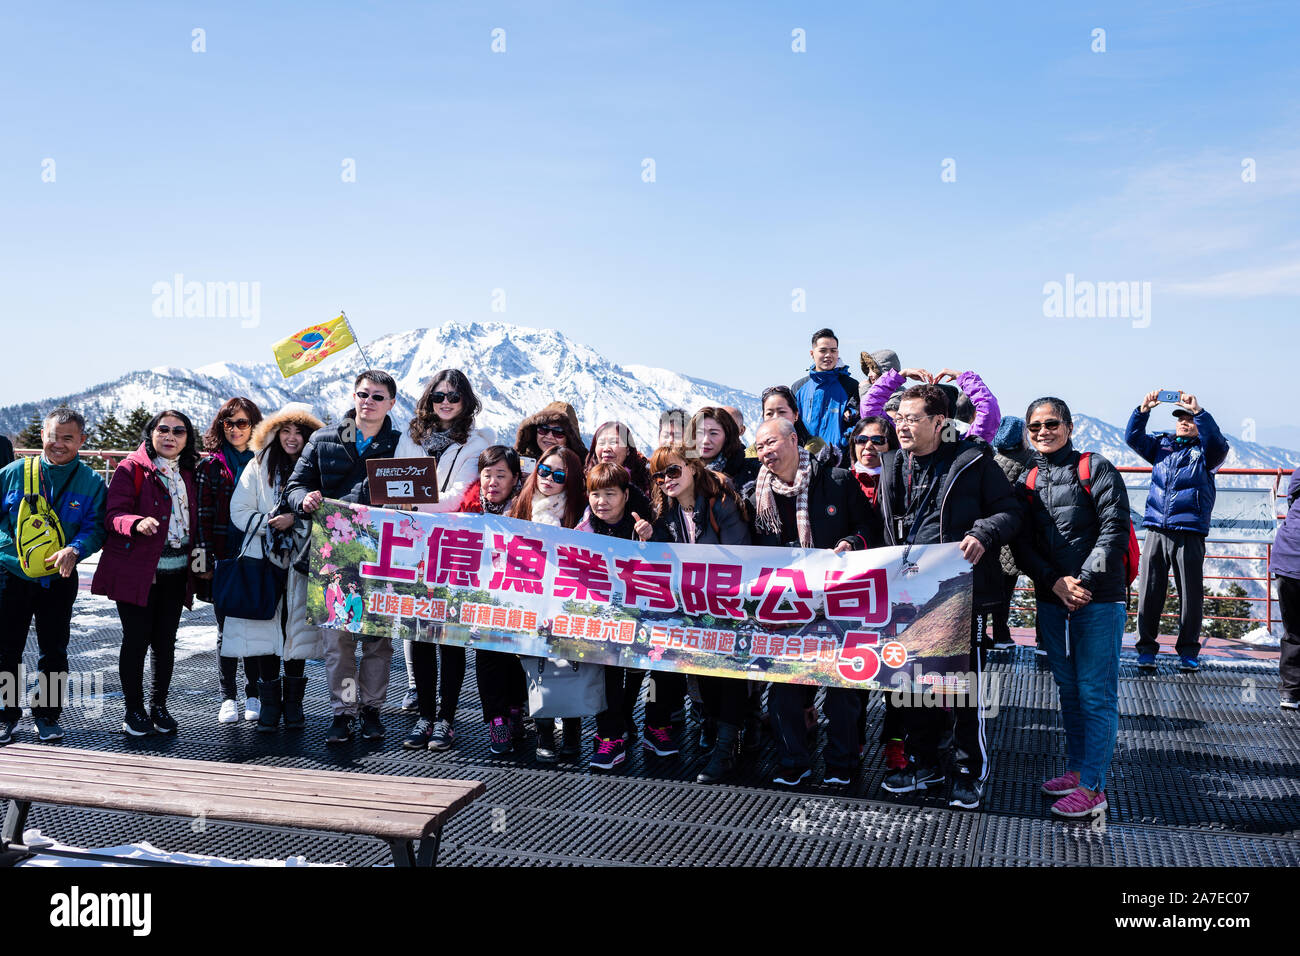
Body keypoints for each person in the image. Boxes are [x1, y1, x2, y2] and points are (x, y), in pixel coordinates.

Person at [875, 385, 1021, 810]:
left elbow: (1010, 513)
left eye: (912, 418)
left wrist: (982, 532)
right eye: (898, 417)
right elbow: (878, 523)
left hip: (962, 593)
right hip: (906, 594)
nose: (901, 425)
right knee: (912, 682)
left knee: (962, 688)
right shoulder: (891, 465)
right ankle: (925, 762)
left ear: (940, 422)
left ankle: (967, 771)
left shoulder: (973, 462)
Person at [747, 418, 882, 787]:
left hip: (839, 603)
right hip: (786, 608)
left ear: (794, 440)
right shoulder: (756, 494)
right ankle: (794, 761)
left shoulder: (836, 480)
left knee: (842, 691)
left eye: (771, 443)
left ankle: (842, 764)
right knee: (784, 692)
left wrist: (853, 544)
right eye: (759, 447)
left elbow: (870, 529)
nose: (765, 453)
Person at [1012, 397, 1130, 819]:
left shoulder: (1094, 468)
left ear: (1069, 426)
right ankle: (1078, 771)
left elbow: (1115, 528)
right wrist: (1053, 582)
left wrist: (1082, 583)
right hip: (1052, 601)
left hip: (1098, 601)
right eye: (1035, 426)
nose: (1043, 432)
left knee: (1095, 694)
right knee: (1069, 692)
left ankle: (1095, 788)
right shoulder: (1028, 481)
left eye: (1051, 424)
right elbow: (1022, 544)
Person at [285, 370, 402, 745]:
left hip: (383, 554)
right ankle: (344, 711)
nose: (368, 401)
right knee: (338, 643)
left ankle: (371, 710)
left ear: (392, 403)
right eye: (363, 394)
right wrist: (302, 500)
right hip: (331, 553)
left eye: (378, 396)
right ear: (353, 396)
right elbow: (294, 486)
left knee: (378, 640)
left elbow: (422, 495)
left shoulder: (402, 444)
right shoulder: (324, 438)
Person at [639, 444, 753, 783]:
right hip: (697, 608)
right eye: (659, 476)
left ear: (692, 467)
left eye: (673, 471)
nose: (666, 481)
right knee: (705, 676)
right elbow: (662, 555)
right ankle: (727, 737)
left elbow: (737, 554)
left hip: (730, 603)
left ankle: (726, 748)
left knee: (730, 676)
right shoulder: (668, 509)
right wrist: (646, 536)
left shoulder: (722, 501)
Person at [395, 370, 495, 742]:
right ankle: (424, 714)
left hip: (452, 547)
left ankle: (446, 718)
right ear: (429, 399)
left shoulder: (475, 443)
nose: (446, 402)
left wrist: (413, 500)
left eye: (454, 396)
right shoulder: (410, 436)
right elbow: (390, 482)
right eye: (439, 396)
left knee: (449, 636)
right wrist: (406, 499)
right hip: (411, 544)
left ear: (466, 400)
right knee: (418, 633)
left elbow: (458, 497)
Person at [0, 409, 107, 744]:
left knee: (54, 649)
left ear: (81, 440)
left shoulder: (90, 481)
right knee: (6, 649)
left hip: (61, 576)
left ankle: (47, 715)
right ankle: (5, 715)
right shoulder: (15, 473)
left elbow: (96, 527)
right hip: (11, 576)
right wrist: (12, 552)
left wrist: (75, 550)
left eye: (68, 438)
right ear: (42, 435)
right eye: (53, 436)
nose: (58, 444)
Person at [92, 410, 201, 737]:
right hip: (139, 572)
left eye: (178, 431)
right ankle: (133, 710)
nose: (170, 436)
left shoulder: (191, 473)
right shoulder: (131, 468)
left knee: (166, 643)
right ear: (151, 433)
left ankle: (159, 706)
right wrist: (135, 523)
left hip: (176, 573)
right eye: (163, 429)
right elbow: (112, 515)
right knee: (136, 640)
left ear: (187, 438)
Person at [224, 404, 324, 733]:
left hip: (304, 560)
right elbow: (239, 509)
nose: (292, 438)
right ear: (275, 433)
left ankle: (293, 705)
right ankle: (269, 704)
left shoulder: (317, 468)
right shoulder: (258, 465)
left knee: (296, 632)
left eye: (300, 432)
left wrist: (295, 520)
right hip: (262, 559)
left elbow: (329, 510)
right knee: (264, 631)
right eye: (286, 431)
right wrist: (270, 524)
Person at [1125, 390, 1229, 672]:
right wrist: (1143, 410)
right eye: (1180, 418)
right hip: (1157, 527)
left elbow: (1218, 445)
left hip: (1190, 531)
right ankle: (1146, 649)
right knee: (1149, 592)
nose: (1183, 422)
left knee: (1191, 595)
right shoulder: (1162, 447)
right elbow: (1132, 438)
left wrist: (1200, 412)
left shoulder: (1208, 453)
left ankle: (1188, 651)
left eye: (1189, 419)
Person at [509, 446, 587, 761]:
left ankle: (571, 734)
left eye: (558, 475)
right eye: (544, 470)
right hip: (530, 598)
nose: (548, 479)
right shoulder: (524, 504)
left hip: (568, 600)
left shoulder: (580, 510)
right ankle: (543, 732)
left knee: (569, 665)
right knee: (535, 667)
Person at [575, 463, 653, 769]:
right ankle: (610, 735)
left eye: (610, 493)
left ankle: (622, 725)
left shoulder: (643, 522)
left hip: (640, 614)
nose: (601, 501)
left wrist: (650, 536)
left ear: (625, 494)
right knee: (604, 670)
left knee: (633, 672)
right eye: (595, 494)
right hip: (602, 616)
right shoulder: (583, 528)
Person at [195, 397, 266, 725]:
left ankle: (254, 693)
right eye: (229, 423)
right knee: (226, 628)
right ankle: (228, 696)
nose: (236, 429)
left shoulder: (264, 461)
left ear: (254, 425)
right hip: (223, 556)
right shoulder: (210, 464)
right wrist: (202, 563)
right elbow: (201, 517)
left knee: (254, 625)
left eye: (242, 423)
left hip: (260, 554)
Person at [457, 445, 531, 753]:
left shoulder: (527, 509)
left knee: (516, 657)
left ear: (516, 479)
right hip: (481, 597)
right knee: (487, 658)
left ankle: (516, 710)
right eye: (488, 475)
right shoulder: (469, 509)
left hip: (519, 596)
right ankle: (496, 719)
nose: (493, 482)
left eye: (501, 475)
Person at [861, 366, 1002, 444]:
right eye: (901, 418)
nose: (903, 426)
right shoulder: (904, 442)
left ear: (941, 419)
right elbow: (870, 413)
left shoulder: (964, 449)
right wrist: (899, 375)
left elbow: (988, 412)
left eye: (912, 418)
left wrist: (965, 378)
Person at [990, 416, 1033, 651]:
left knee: (1000, 590)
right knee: (1044, 587)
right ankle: (1045, 640)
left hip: (998, 533)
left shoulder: (993, 461)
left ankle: (999, 634)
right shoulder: (1030, 459)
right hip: (1022, 533)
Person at [791, 328, 860, 457]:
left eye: (833, 351)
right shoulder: (798, 387)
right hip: (803, 460)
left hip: (838, 460)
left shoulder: (850, 385)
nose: (828, 355)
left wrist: (842, 443)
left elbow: (858, 422)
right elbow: (791, 423)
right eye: (823, 350)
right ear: (812, 353)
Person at [1272, 467, 1300, 710]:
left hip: (1286, 560)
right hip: (1291, 560)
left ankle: (1290, 692)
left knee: (1293, 631)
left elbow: (1292, 492)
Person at [687, 406, 760, 496]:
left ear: (727, 436)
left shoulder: (751, 471)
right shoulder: (680, 467)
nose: (705, 440)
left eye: (714, 433)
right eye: (700, 433)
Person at [585, 421, 653, 497]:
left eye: (614, 442)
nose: (606, 448)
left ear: (628, 449)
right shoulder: (584, 481)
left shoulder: (647, 480)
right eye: (601, 443)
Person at [514, 401, 589, 464]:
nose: (549, 436)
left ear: (570, 438)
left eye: (558, 432)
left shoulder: (582, 471)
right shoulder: (518, 462)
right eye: (543, 429)